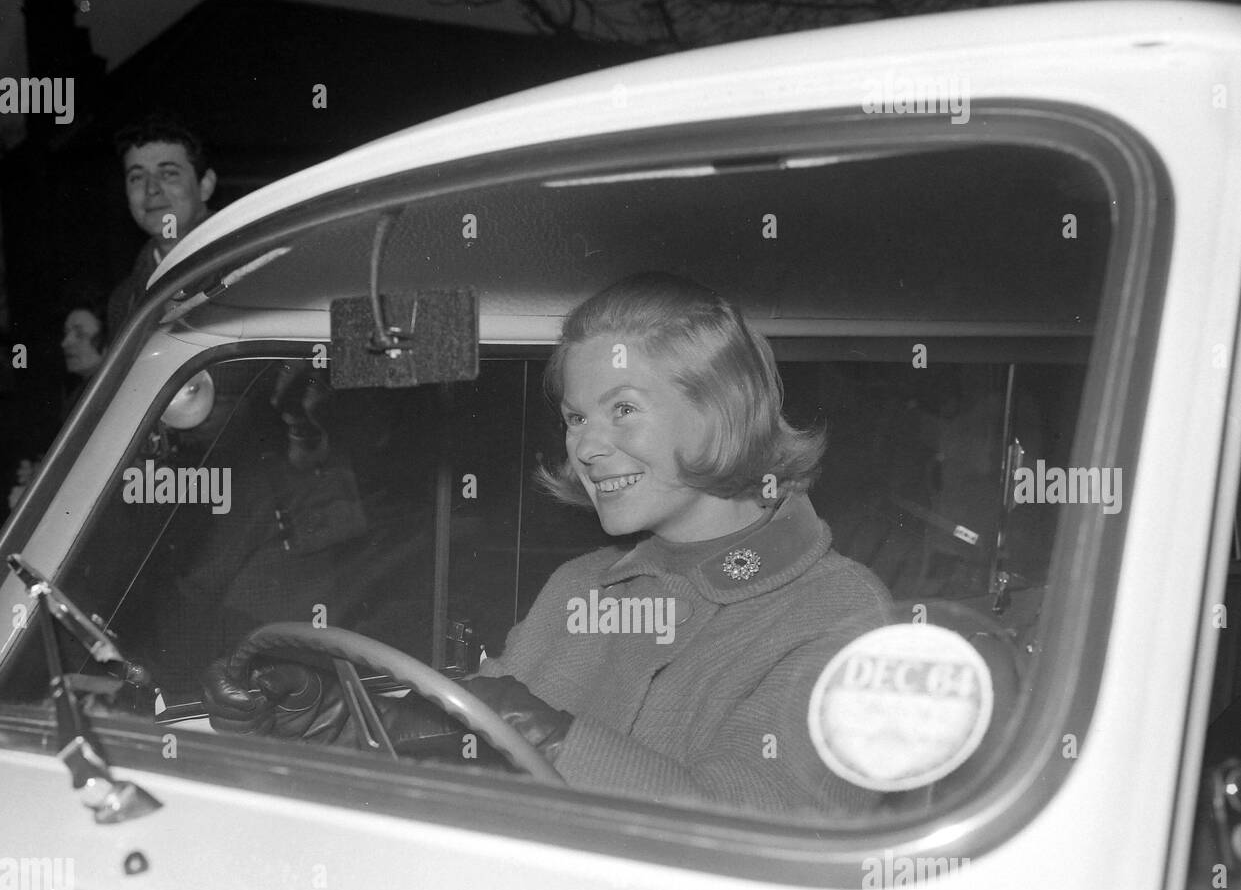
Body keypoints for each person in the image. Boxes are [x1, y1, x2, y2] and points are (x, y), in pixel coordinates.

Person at [201, 273, 892, 818]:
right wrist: (324, 718)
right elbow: (457, 751)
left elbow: (759, 841)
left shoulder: (838, 614)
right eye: (574, 417)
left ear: (721, 409)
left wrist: (555, 739)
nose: (586, 447)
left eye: (623, 408)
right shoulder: (579, 587)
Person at [107, 115, 216, 336]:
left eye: (168, 174)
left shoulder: (254, 262)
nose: (151, 189)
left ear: (204, 185)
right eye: (137, 177)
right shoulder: (124, 301)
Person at [7, 298, 108, 513]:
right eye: (66, 333)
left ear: (109, 341)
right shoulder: (83, 391)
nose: (65, 342)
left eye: (79, 334)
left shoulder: (107, 394)